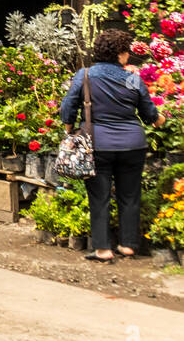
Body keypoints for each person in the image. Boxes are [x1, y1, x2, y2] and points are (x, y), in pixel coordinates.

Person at [60, 28, 161, 262]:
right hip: (133, 145)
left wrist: (69, 131)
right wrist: (160, 119)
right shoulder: (132, 78)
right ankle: (128, 246)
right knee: (130, 196)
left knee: (99, 197)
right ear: (120, 53)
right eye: (126, 51)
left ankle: (103, 249)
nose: (128, 56)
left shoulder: (85, 75)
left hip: (98, 144)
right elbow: (150, 113)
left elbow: (68, 107)